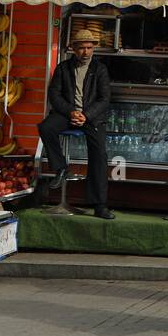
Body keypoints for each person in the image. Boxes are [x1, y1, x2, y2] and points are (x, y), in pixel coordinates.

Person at [38, 29, 115, 220]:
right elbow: (54, 95)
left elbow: (104, 99)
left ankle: (99, 205)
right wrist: (70, 111)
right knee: (46, 127)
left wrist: (85, 115)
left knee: (99, 154)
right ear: (73, 48)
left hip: (91, 117)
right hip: (67, 113)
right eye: (81, 48)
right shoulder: (63, 68)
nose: (86, 52)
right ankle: (60, 168)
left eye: (89, 48)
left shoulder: (100, 69)